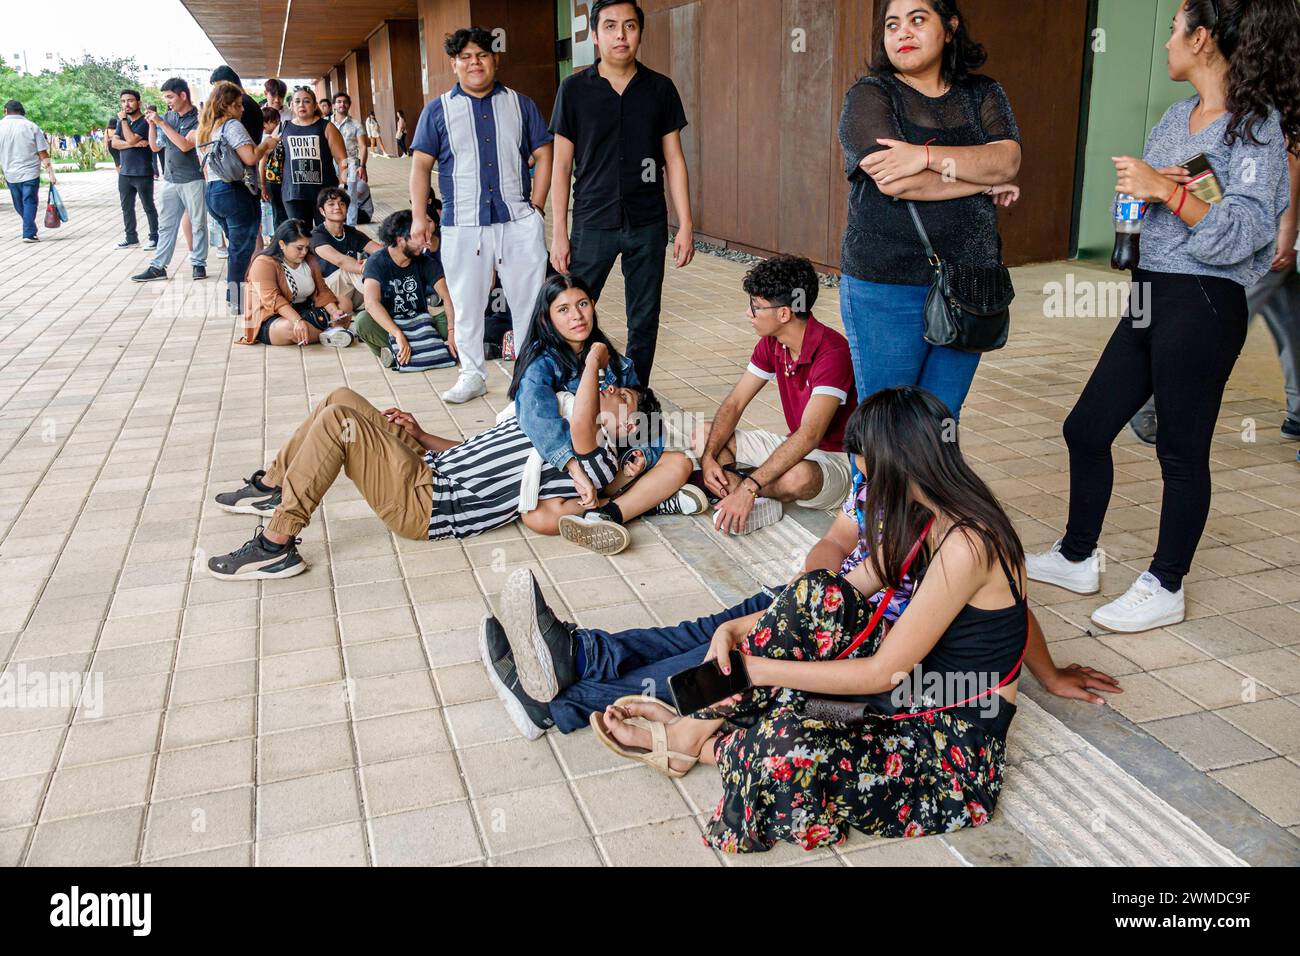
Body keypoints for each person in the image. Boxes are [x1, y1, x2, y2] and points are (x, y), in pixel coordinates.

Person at [587, 387, 1033, 853]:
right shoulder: (920, 516)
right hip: (903, 697)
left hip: (947, 741)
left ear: (906, 466)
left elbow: (882, 672)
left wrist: (756, 669)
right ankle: (698, 724)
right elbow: (836, 595)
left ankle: (697, 742)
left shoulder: (970, 543)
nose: (869, 493)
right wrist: (739, 628)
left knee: (785, 743)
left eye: (874, 478)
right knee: (818, 596)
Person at [482, 471, 1122, 741]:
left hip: (864, 638)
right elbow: (837, 542)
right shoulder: (888, 490)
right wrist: (816, 588)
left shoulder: (951, 535)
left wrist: (1047, 673)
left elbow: (1006, 610)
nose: (863, 477)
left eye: (872, 463)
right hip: (830, 606)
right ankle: (581, 653)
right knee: (707, 631)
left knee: (710, 673)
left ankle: (554, 704)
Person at [1028, 0, 1300, 634]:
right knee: (1086, 428)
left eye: (1177, 27)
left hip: (1204, 301)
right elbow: (1168, 203)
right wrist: (1143, 199)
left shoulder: (1255, 127)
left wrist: (1167, 191)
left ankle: (1166, 583)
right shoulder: (1177, 116)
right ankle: (1076, 555)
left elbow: (1246, 232)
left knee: (1180, 450)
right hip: (1151, 291)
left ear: (1202, 38)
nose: (1168, 41)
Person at [206, 342, 649, 579]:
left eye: (623, 396)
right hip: (431, 471)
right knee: (339, 398)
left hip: (428, 505)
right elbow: (478, 451)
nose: (611, 389)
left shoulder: (595, 463)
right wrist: (419, 435)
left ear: (628, 430)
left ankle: (276, 545)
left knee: (340, 422)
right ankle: (272, 486)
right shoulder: (552, 420)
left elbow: (587, 423)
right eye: (613, 386)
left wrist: (594, 358)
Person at [836, 0, 1022, 417]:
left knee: (940, 420)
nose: (903, 33)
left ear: (950, 28)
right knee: (888, 423)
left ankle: (932, 487)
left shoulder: (983, 93)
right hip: (887, 282)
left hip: (972, 282)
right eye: (892, 24)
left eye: (918, 20)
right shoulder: (870, 96)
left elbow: (1007, 160)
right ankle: (870, 487)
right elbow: (896, 182)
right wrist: (981, 179)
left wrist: (924, 156)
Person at [549, 0, 694, 387]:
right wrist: (559, 233)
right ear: (594, 36)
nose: (620, 35)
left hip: (647, 223)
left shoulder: (660, 89)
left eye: (629, 26)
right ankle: (570, 389)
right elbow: (562, 166)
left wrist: (685, 225)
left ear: (640, 33)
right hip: (592, 222)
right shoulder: (574, 90)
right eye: (610, 27)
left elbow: (674, 160)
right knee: (571, 309)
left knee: (644, 317)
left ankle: (634, 394)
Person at [506, 272, 702, 554]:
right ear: (547, 318)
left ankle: (610, 513)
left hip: (608, 470)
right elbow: (537, 418)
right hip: (563, 470)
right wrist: (574, 466)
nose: (577, 316)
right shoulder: (542, 361)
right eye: (563, 309)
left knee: (680, 463)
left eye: (583, 304)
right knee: (537, 517)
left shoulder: (619, 365)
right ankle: (648, 503)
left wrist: (638, 459)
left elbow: (647, 421)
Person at [409, 26, 553, 405]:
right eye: (466, 57)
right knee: (467, 302)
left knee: (529, 302)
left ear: (495, 60)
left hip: (518, 220)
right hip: (463, 223)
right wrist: (419, 216)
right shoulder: (437, 110)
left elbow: (544, 152)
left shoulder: (520, 104)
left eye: (482, 55)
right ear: (454, 64)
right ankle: (472, 374)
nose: (475, 63)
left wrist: (537, 206)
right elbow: (421, 165)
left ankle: (528, 378)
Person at [1129, 151, 1300, 444]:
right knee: (1213, 324)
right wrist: (1287, 231)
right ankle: (1148, 402)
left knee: (1292, 324)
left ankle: (1298, 413)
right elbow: (1290, 164)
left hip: (1274, 237)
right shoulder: (1273, 116)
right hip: (1267, 239)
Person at [692, 255, 856, 536]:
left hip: (837, 461)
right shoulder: (772, 343)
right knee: (703, 435)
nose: (748, 314)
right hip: (795, 445)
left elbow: (810, 435)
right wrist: (708, 458)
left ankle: (743, 492)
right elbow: (735, 403)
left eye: (756, 307)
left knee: (798, 476)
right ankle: (758, 498)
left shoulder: (833, 352)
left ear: (784, 314)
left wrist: (749, 485)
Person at [192, 81, 276, 314]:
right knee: (241, 249)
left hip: (213, 192)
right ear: (226, 105)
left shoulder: (205, 129)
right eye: (238, 105)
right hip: (235, 192)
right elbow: (249, 158)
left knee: (235, 247)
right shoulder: (231, 126)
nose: (242, 110)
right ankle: (236, 300)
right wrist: (266, 145)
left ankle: (240, 294)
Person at [354, 209, 455, 371]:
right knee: (363, 321)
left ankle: (398, 354)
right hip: (391, 324)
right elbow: (371, 303)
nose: (426, 242)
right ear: (400, 240)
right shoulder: (376, 262)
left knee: (457, 318)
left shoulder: (425, 261)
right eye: (419, 237)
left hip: (421, 323)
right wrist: (398, 335)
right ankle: (401, 349)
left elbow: (448, 296)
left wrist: (452, 332)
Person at [131, 78, 208, 282]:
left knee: (198, 223)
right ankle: (158, 266)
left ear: (183, 95)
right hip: (170, 178)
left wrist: (161, 123)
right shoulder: (167, 117)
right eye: (165, 97)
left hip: (193, 178)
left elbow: (184, 145)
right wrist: (152, 125)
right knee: (166, 225)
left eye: (170, 96)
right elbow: (155, 147)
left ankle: (198, 263)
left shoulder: (199, 120)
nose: (168, 101)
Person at [238, 218, 352, 348]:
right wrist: (297, 321)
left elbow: (322, 291)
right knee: (290, 328)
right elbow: (273, 300)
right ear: (282, 244)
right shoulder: (263, 263)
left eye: (307, 247)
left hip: (306, 310)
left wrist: (334, 311)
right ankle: (333, 332)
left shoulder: (309, 259)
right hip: (272, 318)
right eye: (299, 248)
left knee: (345, 303)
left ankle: (332, 333)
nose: (304, 252)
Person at [280, 87, 347, 226]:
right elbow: (268, 150)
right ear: (291, 105)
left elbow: (341, 159)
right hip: (294, 194)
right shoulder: (283, 128)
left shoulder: (326, 126)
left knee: (327, 235)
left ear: (315, 105)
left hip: (324, 193)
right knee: (301, 237)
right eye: (297, 101)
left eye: (306, 101)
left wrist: (342, 185)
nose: (301, 105)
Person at [309, 187, 383, 313]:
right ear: (322, 211)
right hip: (326, 291)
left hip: (351, 291)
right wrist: (366, 267)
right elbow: (340, 261)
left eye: (341, 204)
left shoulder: (351, 232)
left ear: (347, 209)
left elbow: (381, 252)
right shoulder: (317, 235)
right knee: (350, 269)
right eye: (331, 204)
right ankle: (389, 301)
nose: (337, 207)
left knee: (374, 263)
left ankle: (389, 298)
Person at [0, 99, 55, 243]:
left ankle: (29, 232)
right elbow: (42, 152)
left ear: (6, 111)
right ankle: (29, 229)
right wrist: (50, 172)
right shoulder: (31, 126)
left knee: (20, 203)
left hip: (10, 173)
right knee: (29, 202)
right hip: (30, 172)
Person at [111, 89, 159, 250]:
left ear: (138, 102)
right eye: (123, 101)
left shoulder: (145, 122)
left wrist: (125, 125)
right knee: (126, 207)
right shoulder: (122, 123)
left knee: (148, 206)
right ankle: (131, 238)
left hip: (142, 171)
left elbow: (130, 138)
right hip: (125, 172)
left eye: (130, 101)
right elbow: (114, 144)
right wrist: (132, 143)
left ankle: (154, 237)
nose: (126, 104)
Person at [329, 92, 368, 227]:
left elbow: (363, 146)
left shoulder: (356, 124)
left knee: (350, 195)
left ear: (349, 105)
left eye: (345, 102)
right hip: (331, 161)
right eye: (338, 102)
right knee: (330, 193)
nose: (342, 104)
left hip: (351, 163)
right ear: (334, 105)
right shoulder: (327, 123)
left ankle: (351, 226)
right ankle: (333, 224)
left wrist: (362, 166)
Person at [210, 65, 265, 147]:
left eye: (219, 87)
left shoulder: (241, 104)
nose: (217, 92)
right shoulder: (248, 101)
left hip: (243, 155)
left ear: (229, 84)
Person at [259, 105, 288, 231]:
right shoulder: (267, 140)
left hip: (276, 181)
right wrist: (263, 186)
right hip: (273, 181)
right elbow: (262, 163)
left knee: (279, 212)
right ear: (265, 124)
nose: (277, 124)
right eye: (274, 122)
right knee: (279, 213)